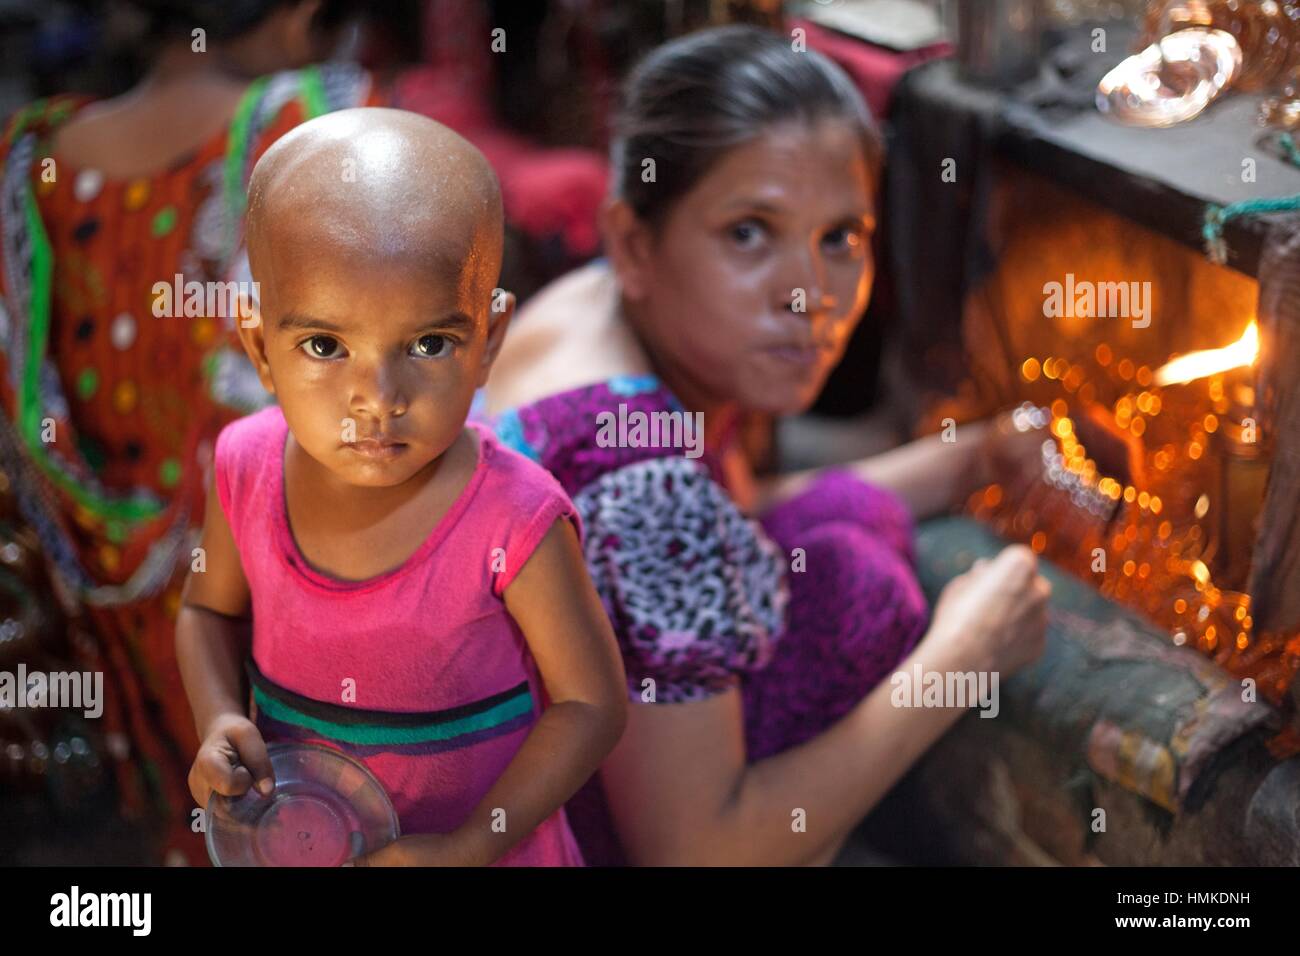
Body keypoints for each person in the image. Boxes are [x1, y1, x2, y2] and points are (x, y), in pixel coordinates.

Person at [481, 25, 1052, 866]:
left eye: (840, 238)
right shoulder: (645, 482)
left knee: (847, 511)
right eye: (749, 232)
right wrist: (965, 656)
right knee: (861, 590)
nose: (809, 296)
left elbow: (731, 515)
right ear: (638, 242)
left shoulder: (594, 309)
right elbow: (692, 850)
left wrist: (974, 459)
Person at [176, 108, 628, 866]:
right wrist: (220, 716)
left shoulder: (514, 520)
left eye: (429, 343)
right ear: (259, 346)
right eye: (325, 345)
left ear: (489, 342)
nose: (378, 396)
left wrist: (462, 848)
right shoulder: (246, 466)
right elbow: (206, 609)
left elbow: (591, 705)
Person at [0, 0, 378, 863]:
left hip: (112, 614)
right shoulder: (311, 122)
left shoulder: (34, 160)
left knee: (193, 820)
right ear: (305, 17)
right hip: (281, 605)